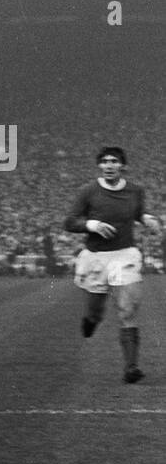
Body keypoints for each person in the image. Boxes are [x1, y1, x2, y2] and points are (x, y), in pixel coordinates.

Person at [63, 146, 160, 383]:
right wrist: (91, 225)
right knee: (96, 310)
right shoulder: (88, 191)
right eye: (104, 161)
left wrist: (146, 218)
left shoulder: (135, 191)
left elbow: (138, 213)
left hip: (125, 254)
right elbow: (69, 222)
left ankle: (131, 367)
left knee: (127, 310)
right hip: (96, 257)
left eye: (114, 161)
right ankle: (91, 320)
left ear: (122, 165)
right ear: (100, 166)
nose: (108, 165)